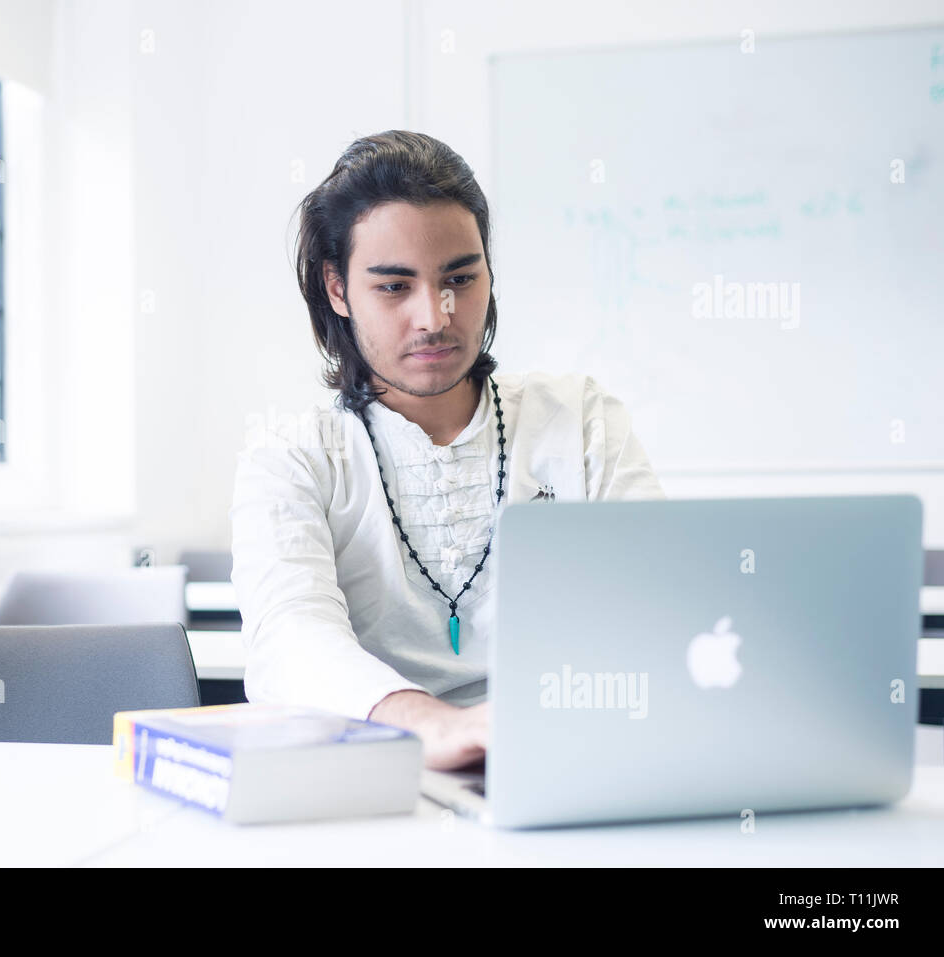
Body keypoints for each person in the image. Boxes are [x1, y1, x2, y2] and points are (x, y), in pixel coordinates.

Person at [228, 130, 664, 770]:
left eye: (460, 277)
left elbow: (660, 598)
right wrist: (429, 724)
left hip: (569, 755)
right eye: (394, 287)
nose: (435, 316)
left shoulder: (579, 418)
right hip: (380, 767)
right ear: (337, 289)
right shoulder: (292, 455)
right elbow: (290, 638)